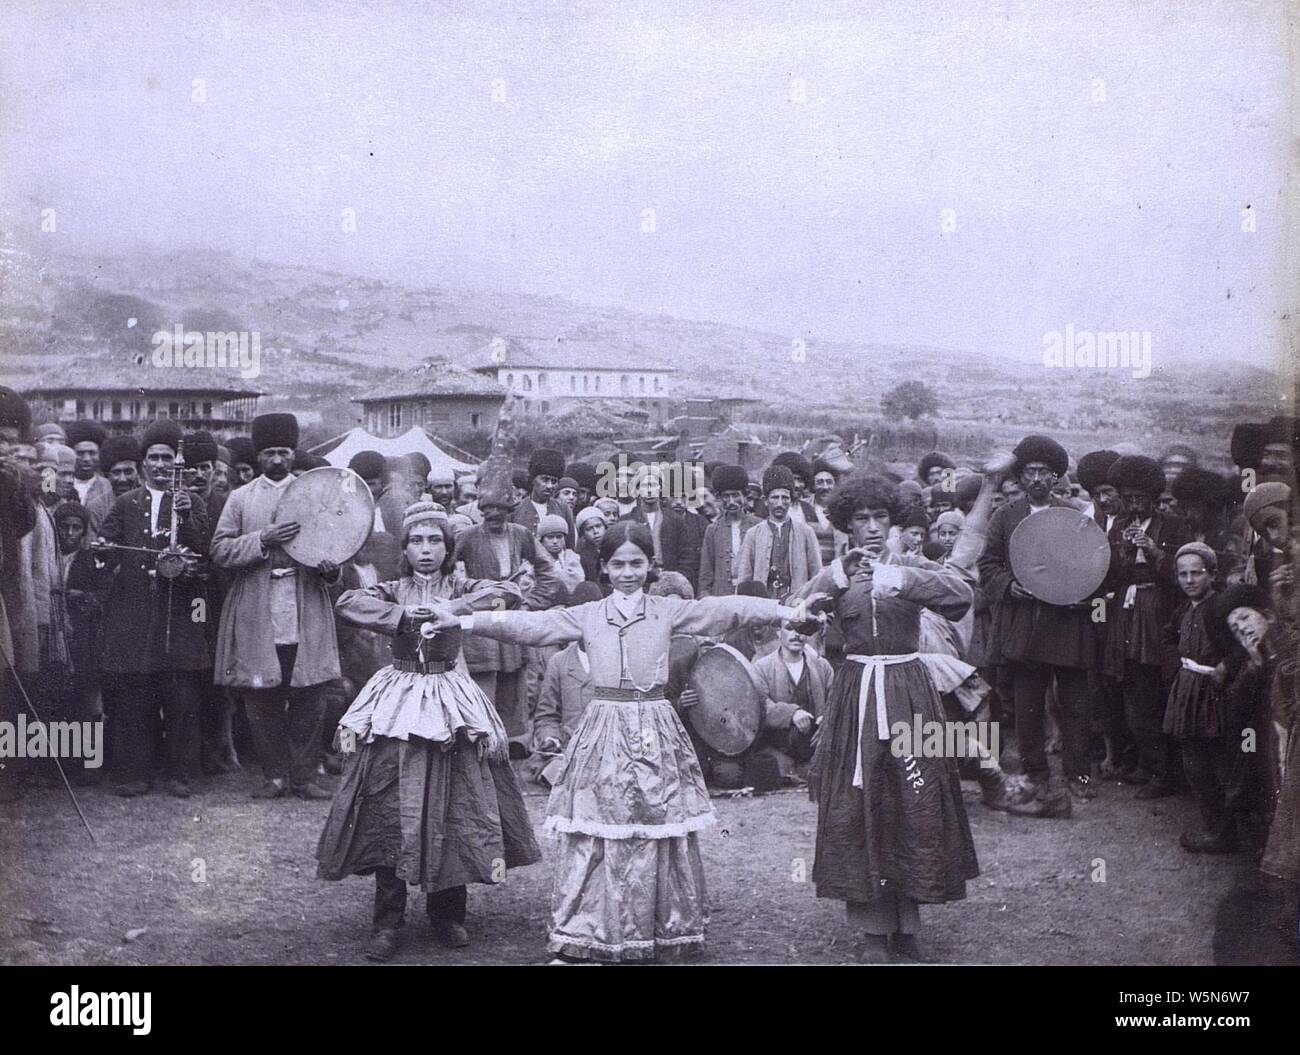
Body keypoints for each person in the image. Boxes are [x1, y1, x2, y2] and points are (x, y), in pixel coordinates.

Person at [428, 520, 825, 962]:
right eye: (618, 564)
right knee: (599, 827)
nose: (628, 572)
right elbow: (529, 625)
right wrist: (462, 621)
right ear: (605, 567)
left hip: (656, 727)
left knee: (656, 825)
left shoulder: (667, 611)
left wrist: (788, 612)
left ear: (650, 565)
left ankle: (660, 926)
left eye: (637, 563)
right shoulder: (588, 614)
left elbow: (727, 608)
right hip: (605, 728)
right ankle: (591, 930)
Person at [317, 499, 542, 961]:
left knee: (455, 801)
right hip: (398, 698)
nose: (426, 550)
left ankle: (447, 913)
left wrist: (452, 608)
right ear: (404, 548)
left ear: (448, 546)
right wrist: (402, 617)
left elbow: (509, 594)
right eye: (416, 541)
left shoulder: (463, 584)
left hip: (451, 698)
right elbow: (347, 601)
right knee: (389, 802)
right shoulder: (393, 589)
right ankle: (388, 919)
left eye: (435, 540)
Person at [791, 474, 977, 962]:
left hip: (909, 691)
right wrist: (830, 583)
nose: (871, 528)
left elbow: (961, 598)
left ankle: (908, 923)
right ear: (846, 525)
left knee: (913, 801)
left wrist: (904, 579)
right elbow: (800, 617)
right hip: (855, 696)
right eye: (860, 519)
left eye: (880, 518)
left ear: (893, 522)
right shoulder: (837, 572)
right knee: (860, 803)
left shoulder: (913, 566)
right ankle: (874, 930)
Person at [211, 413, 340, 800]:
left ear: (293, 452)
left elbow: (338, 544)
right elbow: (219, 549)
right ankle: (274, 776)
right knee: (261, 695)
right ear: (259, 455)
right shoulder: (241, 498)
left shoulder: (313, 492)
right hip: (257, 605)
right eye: (269, 453)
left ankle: (304, 776)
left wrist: (332, 569)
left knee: (309, 693)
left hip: (306, 603)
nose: (278, 460)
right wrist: (262, 539)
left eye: (284, 452)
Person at [978, 435, 1098, 816]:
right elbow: (987, 565)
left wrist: (1082, 593)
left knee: (1076, 706)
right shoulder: (1005, 517)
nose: (1037, 479)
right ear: (1020, 477)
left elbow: (1091, 564)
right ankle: (1036, 774)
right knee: (1028, 707)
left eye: (1044, 472)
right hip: (1025, 625)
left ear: (1056, 476)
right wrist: (1009, 586)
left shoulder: (1073, 516)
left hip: (1067, 624)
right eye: (1029, 472)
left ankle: (1079, 776)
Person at [96, 420, 211, 797]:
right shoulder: (126, 503)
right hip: (135, 616)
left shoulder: (192, 502)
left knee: (182, 699)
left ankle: (179, 774)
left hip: (179, 614)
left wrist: (187, 517)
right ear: (143, 463)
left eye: (167, 458)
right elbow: (105, 545)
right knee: (135, 697)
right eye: (154, 458)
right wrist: (102, 550)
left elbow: (206, 551)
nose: (161, 465)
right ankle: (134, 773)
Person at [1103, 454, 1190, 800]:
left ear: (1153, 497)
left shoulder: (1173, 526)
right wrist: (1123, 552)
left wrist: (1153, 550)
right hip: (1126, 612)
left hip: (1159, 613)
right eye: (1129, 498)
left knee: (1154, 692)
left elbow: (1183, 574)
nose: (1135, 505)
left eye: (1141, 498)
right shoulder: (1119, 527)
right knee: (1131, 690)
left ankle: (1163, 772)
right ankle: (1146, 762)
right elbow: (1109, 577)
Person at [1161, 542, 1234, 852]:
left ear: (1212, 575)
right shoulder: (1183, 608)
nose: (1189, 580)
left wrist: (1225, 666)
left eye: (1196, 573)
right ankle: (1213, 826)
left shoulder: (1221, 608)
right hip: (1187, 688)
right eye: (1183, 574)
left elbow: (1240, 645)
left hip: (1214, 692)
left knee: (1218, 763)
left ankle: (1226, 832)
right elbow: (1168, 637)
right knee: (1194, 763)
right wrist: (1175, 668)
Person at [735, 464, 822, 597]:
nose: (780, 503)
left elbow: (816, 574)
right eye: (775, 498)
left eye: (785, 498)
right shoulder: (753, 534)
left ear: (790, 500)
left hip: (796, 604)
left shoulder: (806, 532)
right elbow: (744, 577)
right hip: (763, 606)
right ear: (765, 501)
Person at [697, 464, 759, 597]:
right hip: (721, 598)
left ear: (745, 495)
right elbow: (705, 576)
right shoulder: (712, 530)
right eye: (726, 496)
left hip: (752, 597)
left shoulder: (759, 526)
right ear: (719, 498)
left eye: (735, 495)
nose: (731, 502)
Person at [511, 447, 575, 548]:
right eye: (544, 480)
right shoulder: (515, 510)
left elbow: (570, 546)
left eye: (554, 481)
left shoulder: (563, 509)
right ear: (533, 480)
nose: (549, 486)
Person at [64, 421, 114, 530]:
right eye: (80, 453)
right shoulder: (63, 483)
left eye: (92, 453)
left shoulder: (107, 486)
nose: (86, 459)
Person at [99, 434, 142, 499]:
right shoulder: (98, 505)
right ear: (107, 475)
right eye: (116, 473)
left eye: (128, 472)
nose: (122, 479)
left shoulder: (151, 501)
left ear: (138, 472)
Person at [573, 505, 606, 585]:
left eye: (598, 526)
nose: (595, 531)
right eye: (589, 529)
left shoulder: (613, 548)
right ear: (583, 534)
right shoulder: (580, 557)